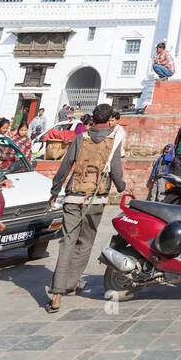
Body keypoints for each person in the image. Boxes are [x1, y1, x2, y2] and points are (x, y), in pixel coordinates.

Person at [46, 103, 126, 313]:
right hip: (96, 200)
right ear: (109, 120)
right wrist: (122, 187)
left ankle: (56, 294)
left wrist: (55, 190)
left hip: (73, 196)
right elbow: (116, 170)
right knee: (85, 242)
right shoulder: (113, 140)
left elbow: (65, 165)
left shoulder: (81, 138)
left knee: (67, 241)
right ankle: (71, 282)